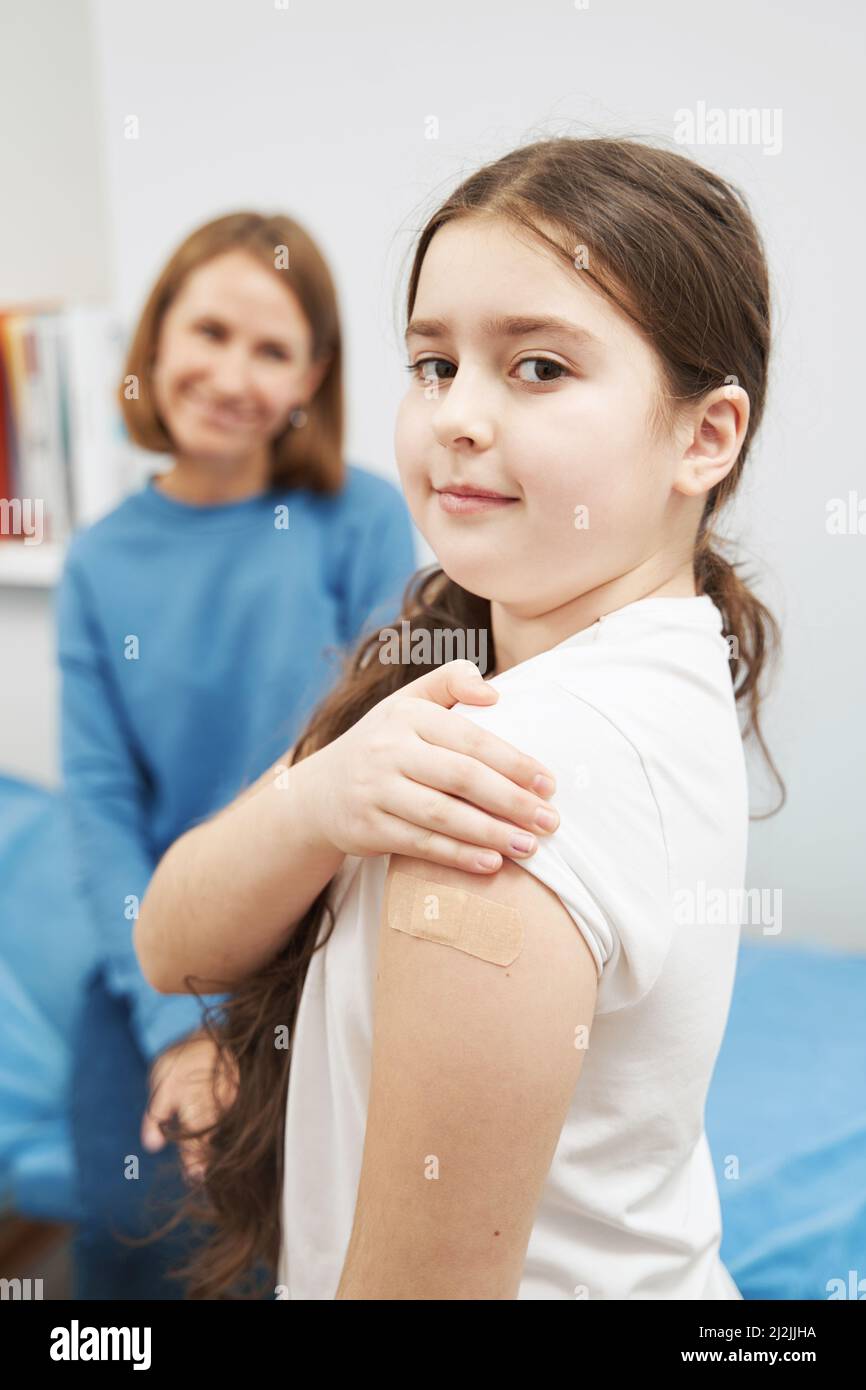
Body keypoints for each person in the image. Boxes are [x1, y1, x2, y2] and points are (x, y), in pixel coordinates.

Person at [134, 138, 786, 1300]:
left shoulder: (507, 769)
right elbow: (171, 938)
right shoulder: (484, 675)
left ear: (703, 435)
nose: (456, 417)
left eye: (537, 367)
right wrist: (317, 800)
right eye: (433, 364)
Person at [56, 209, 422, 1298]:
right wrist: (177, 1029)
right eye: (208, 332)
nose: (230, 373)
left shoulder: (358, 520)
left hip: (311, 940)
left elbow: (354, 753)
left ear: (312, 377)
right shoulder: (99, 563)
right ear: (156, 339)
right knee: (137, 1216)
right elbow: (101, 811)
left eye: (271, 350)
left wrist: (253, 1015)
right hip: (158, 949)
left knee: (289, 1214)